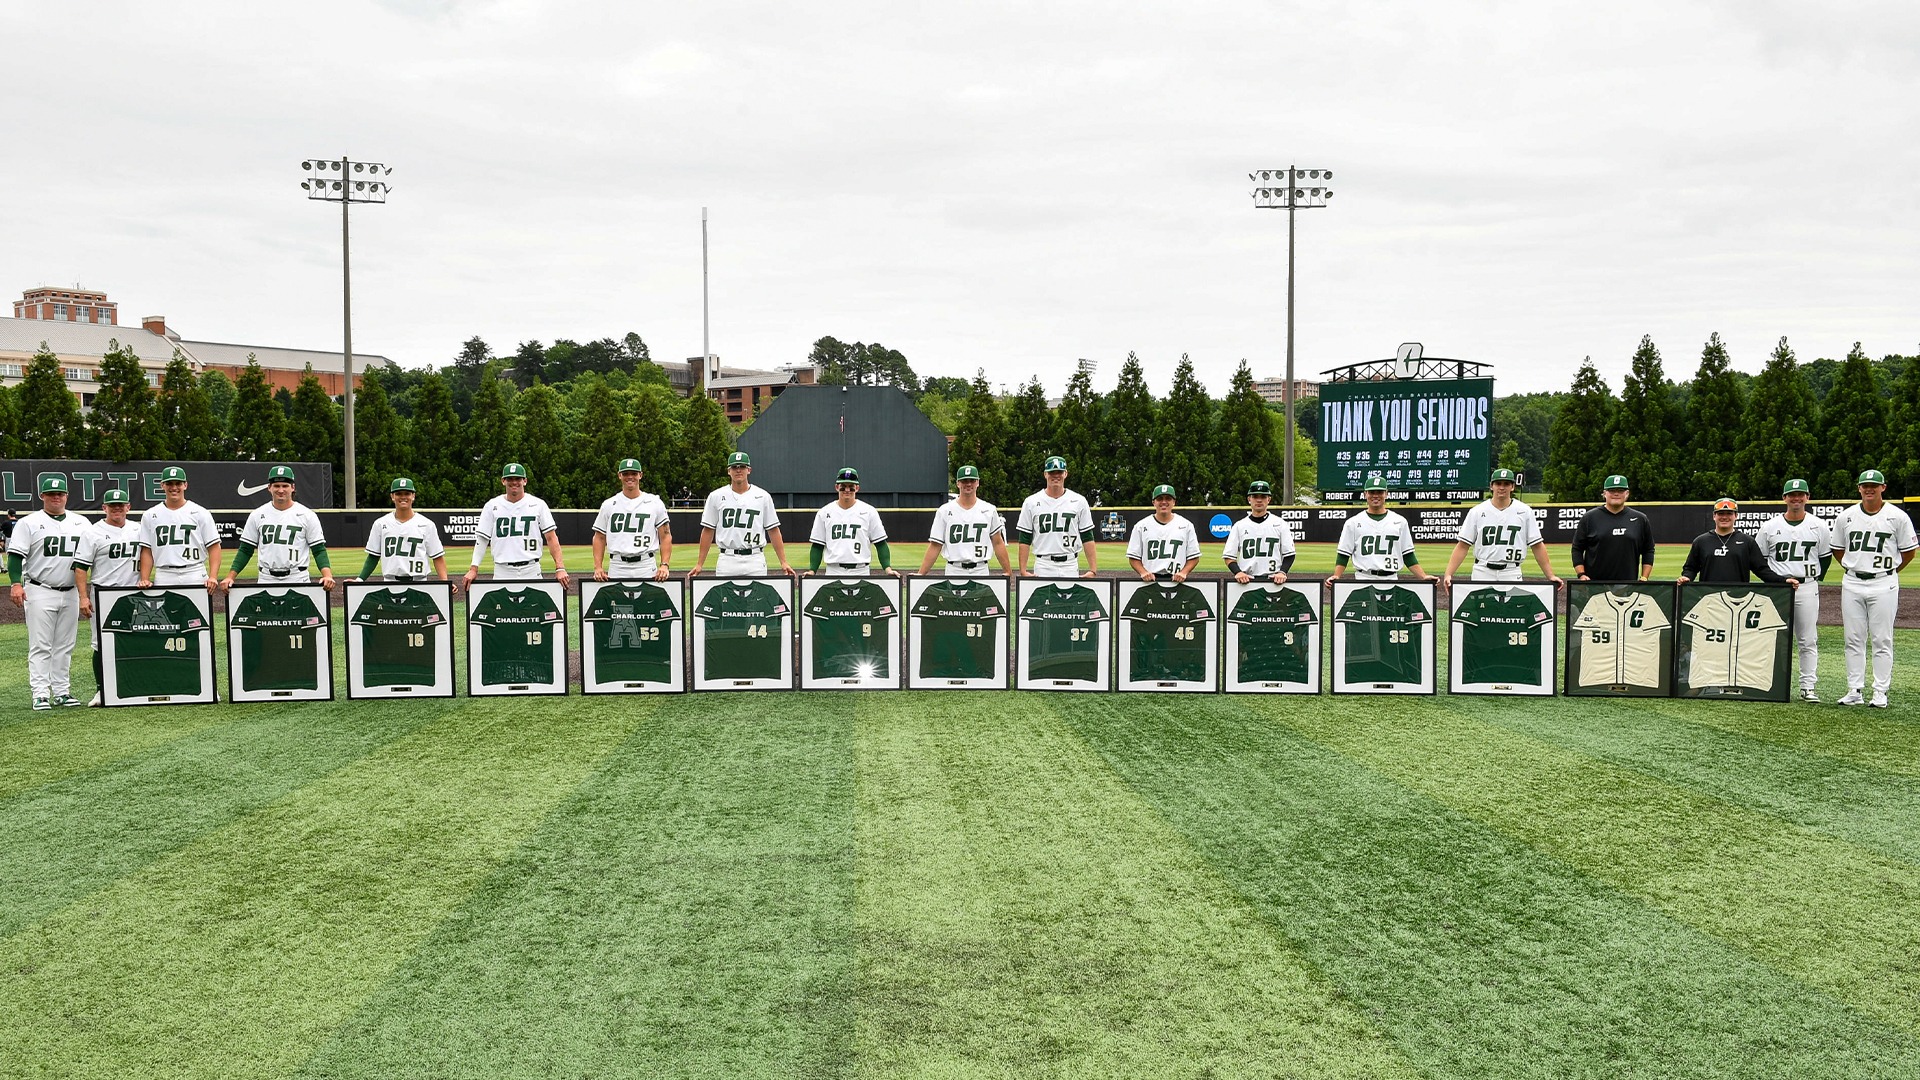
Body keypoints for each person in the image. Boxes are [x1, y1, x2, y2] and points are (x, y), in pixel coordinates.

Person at [1827, 469, 1917, 707]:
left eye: (1874, 486)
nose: (1869, 489)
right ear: (1859, 488)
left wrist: (1891, 571)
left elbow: (1909, 552)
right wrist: (1853, 566)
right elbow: (1837, 548)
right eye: (1865, 486)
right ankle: (1854, 689)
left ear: (1883, 488)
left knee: (1882, 638)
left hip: (1883, 581)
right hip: (1853, 581)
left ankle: (1880, 691)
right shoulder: (1845, 517)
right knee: (1853, 638)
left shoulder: (1897, 516)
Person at [7, 477, 88, 709]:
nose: (56, 497)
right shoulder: (29, 522)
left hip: (71, 590)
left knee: (65, 645)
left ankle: (62, 692)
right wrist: (15, 583)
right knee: (41, 645)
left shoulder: (81, 523)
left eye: (60, 493)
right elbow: (15, 556)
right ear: (42, 496)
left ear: (66, 496)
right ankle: (40, 693)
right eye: (51, 494)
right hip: (40, 589)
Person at [1756, 478, 1833, 701]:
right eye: (1792, 494)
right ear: (1784, 498)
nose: (1796, 498)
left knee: (1807, 639)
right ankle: (1771, 685)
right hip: (1779, 588)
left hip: (1807, 585)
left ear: (1808, 497)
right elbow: (1761, 561)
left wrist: (1813, 579)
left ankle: (1808, 686)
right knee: (1773, 637)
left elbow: (1825, 559)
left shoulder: (1818, 525)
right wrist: (1773, 583)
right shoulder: (1769, 526)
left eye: (1801, 494)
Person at [72, 488, 144, 706]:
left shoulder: (139, 529)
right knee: (100, 643)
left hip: (134, 592)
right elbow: (81, 568)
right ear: (104, 508)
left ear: (128, 507)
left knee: (135, 640)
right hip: (104, 592)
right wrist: (83, 598)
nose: (117, 509)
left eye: (121, 505)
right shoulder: (92, 532)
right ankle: (101, 690)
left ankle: (134, 686)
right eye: (112, 506)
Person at [1442, 468, 1562, 588]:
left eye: (1506, 484)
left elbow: (1537, 546)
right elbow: (1463, 546)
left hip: (1511, 571)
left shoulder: (1525, 511)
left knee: (1511, 607)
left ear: (1513, 487)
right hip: (1482, 570)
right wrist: (1448, 574)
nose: (1502, 487)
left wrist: (1550, 575)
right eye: (1498, 483)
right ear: (1491, 486)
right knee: (1483, 606)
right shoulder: (1477, 512)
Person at [221, 465, 334, 592]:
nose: (281, 490)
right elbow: (245, 550)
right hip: (266, 578)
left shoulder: (307, 515)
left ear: (293, 487)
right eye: (277, 485)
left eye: (285, 486)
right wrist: (230, 577)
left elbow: (318, 550)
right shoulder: (257, 514)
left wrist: (327, 575)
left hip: (297, 578)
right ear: (269, 488)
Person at [463, 463, 571, 589]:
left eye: (518, 479)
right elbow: (482, 540)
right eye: (510, 479)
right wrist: (473, 568)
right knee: (502, 608)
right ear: (503, 481)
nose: (514, 482)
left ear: (525, 481)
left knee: (535, 608)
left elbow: (551, 538)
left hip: (531, 569)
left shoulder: (538, 504)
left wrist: (560, 567)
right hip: (502, 570)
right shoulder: (491, 506)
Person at [690, 451, 795, 577]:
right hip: (727, 558)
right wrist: (699, 564)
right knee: (725, 597)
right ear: (729, 471)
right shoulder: (716, 496)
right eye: (734, 467)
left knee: (757, 597)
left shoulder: (763, 496)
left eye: (742, 467)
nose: (738, 470)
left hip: (755, 558)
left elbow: (773, 530)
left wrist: (783, 562)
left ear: (749, 470)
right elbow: (708, 530)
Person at [1327, 475, 1429, 587]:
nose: (1375, 495)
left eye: (1379, 492)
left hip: (1391, 579)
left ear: (1386, 493)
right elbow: (1343, 554)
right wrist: (1337, 576)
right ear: (1365, 494)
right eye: (1371, 492)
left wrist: (1423, 576)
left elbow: (1408, 555)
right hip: (1363, 579)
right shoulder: (1353, 522)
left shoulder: (1400, 521)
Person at [1677, 499, 1797, 586]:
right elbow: (1690, 568)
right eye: (1720, 514)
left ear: (1736, 516)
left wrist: (1783, 581)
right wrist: (1686, 577)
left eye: (1729, 513)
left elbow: (1761, 570)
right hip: (1708, 597)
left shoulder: (1747, 541)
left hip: (1738, 596)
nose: (1725, 517)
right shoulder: (1701, 541)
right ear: (1714, 516)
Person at [137, 466, 221, 589]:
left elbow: (214, 546)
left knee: (197, 608)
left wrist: (213, 576)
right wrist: (144, 579)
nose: (174, 487)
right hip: (164, 574)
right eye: (169, 483)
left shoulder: (200, 512)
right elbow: (146, 550)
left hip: (194, 572)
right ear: (162, 485)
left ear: (185, 485)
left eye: (178, 483)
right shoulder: (150, 515)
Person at [919, 465, 1012, 577]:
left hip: (981, 569)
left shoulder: (989, 509)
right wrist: (921, 574)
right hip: (954, 569)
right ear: (958, 483)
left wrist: (1008, 571)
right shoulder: (944, 510)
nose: (968, 484)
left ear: (977, 482)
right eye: (964, 481)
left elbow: (997, 542)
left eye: (972, 480)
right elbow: (935, 545)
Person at [591, 458, 673, 582]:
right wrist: (598, 567)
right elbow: (599, 537)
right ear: (619, 475)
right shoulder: (609, 504)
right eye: (626, 474)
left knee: (648, 601)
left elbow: (665, 535)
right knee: (618, 601)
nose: (630, 477)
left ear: (640, 475)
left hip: (645, 564)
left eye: (634, 473)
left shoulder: (654, 502)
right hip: (618, 565)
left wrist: (664, 565)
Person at [1016, 456, 1098, 578]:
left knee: (1069, 597)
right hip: (1043, 564)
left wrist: (1093, 570)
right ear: (1045, 474)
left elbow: (1087, 536)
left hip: (1070, 564)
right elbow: (1025, 538)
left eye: (1059, 472)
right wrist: (1023, 570)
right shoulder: (1031, 502)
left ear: (1065, 473)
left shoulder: (1079, 501)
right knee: (1043, 597)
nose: (1056, 475)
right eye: (1051, 472)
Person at [358, 478, 453, 583]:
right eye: (398, 493)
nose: (403, 497)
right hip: (390, 582)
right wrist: (359, 579)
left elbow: (437, 556)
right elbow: (373, 556)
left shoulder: (427, 524)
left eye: (407, 493)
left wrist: (445, 582)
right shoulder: (380, 524)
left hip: (419, 582)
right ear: (392, 496)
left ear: (413, 496)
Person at [806, 467, 897, 576]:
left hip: (861, 570)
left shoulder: (869, 511)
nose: (847, 490)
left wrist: (888, 569)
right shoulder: (824, 512)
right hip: (833, 570)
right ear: (836, 487)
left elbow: (881, 543)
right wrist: (812, 570)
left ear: (857, 488)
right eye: (843, 486)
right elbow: (817, 545)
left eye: (851, 487)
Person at [1571, 475, 1655, 581]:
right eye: (1612, 490)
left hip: (1628, 584)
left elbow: (1648, 550)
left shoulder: (1640, 519)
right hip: (1594, 584)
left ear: (1627, 493)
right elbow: (1577, 548)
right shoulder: (1589, 518)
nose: (1616, 494)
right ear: (1604, 493)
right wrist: (1581, 574)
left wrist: (1644, 577)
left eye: (1620, 490)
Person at [1223, 480, 1296, 585]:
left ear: (1268, 499)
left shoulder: (1280, 524)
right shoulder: (1239, 526)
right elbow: (1229, 555)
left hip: (1273, 580)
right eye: (1255, 497)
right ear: (1249, 499)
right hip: (1247, 581)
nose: (1259, 500)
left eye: (1263, 497)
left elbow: (1289, 553)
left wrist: (1282, 572)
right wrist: (1238, 572)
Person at [1126, 484, 1200, 582]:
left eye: (1168, 499)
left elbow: (1194, 556)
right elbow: (1133, 556)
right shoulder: (1141, 526)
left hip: (1177, 580)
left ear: (1174, 502)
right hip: (1150, 580)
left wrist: (1184, 572)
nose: (1164, 502)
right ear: (1154, 502)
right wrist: (1143, 572)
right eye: (1160, 499)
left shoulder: (1186, 525)